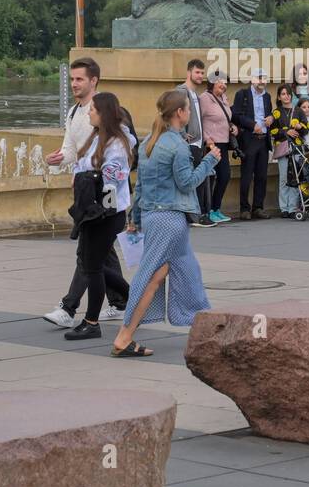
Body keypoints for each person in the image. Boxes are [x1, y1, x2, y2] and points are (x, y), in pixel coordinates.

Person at [112, 91, 220, 357]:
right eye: (188, 109)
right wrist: (210, 160)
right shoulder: (178, 146)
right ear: (180, 113)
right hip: (170, 219)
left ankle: (205, 327)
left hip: (153, 216)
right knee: (151, 277)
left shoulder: (150, 141)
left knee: (186, 271)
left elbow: (141, 187)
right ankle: (124, 337)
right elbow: (187, 182)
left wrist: (136, 219)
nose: (190, 113)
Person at [44, 58, 127, 327]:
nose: (74, 84)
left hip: (102, 197)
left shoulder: (109, 109)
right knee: (101, 254)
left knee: (88, 253)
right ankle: (124, 299)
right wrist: (58, 158)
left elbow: (124, 151)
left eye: (79, 79)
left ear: (94, 81)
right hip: (87, 193)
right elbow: (72, 149)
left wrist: (96, 182)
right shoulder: (73, 113)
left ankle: (69, 308)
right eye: (72, 79)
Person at [62, 92, 137, 341]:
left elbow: (113, 182)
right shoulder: (97, 138)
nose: (89, 112)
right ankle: (130, 295)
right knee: (91, 263)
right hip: (93, 211)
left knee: (92, 266)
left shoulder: (116, 144)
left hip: (104, 214)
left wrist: (101, 210)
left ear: (103, 113)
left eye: (93, 109)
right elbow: (86, 167)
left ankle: (91, 322)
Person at [178, 58, 215, 228]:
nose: (200, 76)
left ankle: (200, 214)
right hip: (189, 144)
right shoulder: (181, 91)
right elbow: (173, 113)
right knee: (194, 180)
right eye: (197, 72)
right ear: (189, 73)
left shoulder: (195, 95)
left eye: (202, 73)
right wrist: (182, 133)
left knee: (200, 178)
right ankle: (195, 216)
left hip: (199, 144)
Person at [232, 69, 273, 220]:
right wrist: (251, 124)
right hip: (249, 139)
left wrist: (270, 119)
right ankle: (244, 208)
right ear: (252, 80)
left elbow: (269, 114)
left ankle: (258, 207)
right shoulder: (242, 94)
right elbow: (236, 115)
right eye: (259, 78)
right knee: (247, 176)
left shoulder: (267, 96)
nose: (262, 81)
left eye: (264, 78)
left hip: (263, 140)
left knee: (262, 176)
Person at [200, 71, 237, 223]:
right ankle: (208, 211)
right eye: (220, 81)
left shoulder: (224, 98)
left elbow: (226, 118)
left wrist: (233, 127)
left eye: (225, 82)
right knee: (212, 177)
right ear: (212, 82)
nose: (224, 85)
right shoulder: (204, 98)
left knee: (225, 175)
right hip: (211, 144)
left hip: (224, 142)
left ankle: (216, 208)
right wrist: (207, 139)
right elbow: (198, 121)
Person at [271, 84, 301, 219]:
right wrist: (286, 131)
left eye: (288, 93)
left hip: (296, 149)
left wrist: (300, 127)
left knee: (295, 178)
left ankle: (292, 207)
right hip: (283, 149)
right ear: (279, 96)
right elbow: (272, 131)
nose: (286, 96)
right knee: (284, 178)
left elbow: (306, 129)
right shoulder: (276, 112)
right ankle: (284, 207)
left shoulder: (298, 111)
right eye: (283, 94)